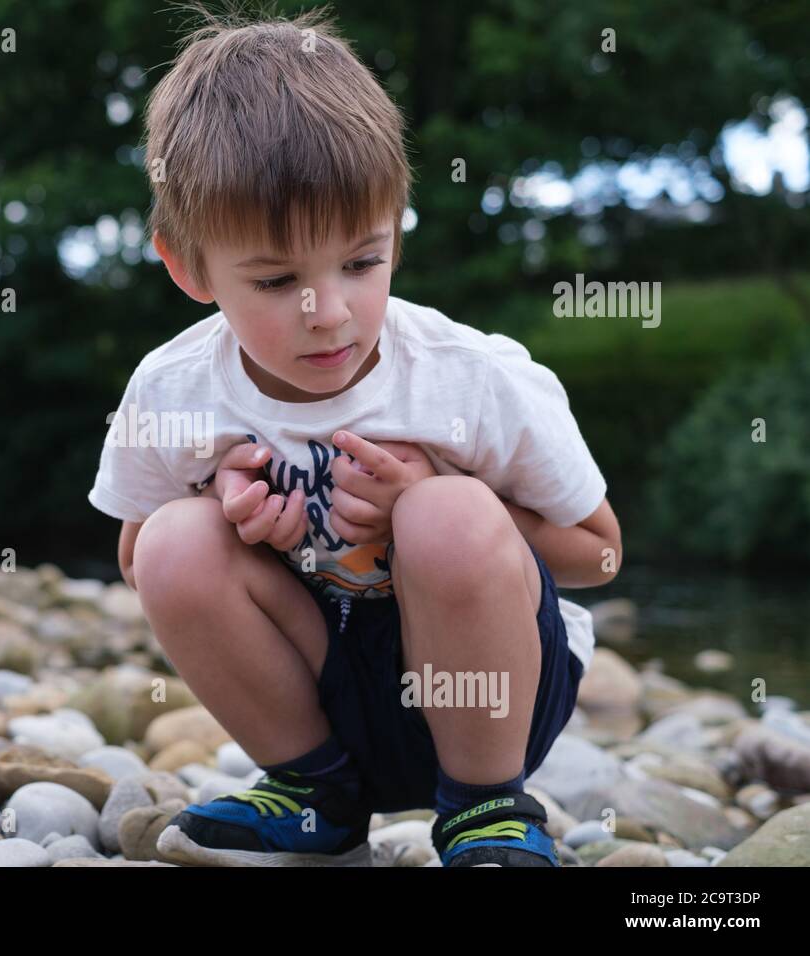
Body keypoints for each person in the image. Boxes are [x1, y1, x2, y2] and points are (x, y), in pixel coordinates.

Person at [87, 6, 621, 867]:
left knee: (447, 515)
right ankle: (315, 797)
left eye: (362, 263)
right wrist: (222, 507)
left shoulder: (467, 376)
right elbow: (136, 557)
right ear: (188, 268)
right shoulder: (174, 391)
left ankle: (486, 813)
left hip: (495, 696)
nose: (327, 312)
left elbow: (599, 555)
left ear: (398, 232)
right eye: (275, 278)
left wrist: (439, 499)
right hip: (321, 691)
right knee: (178, 542)